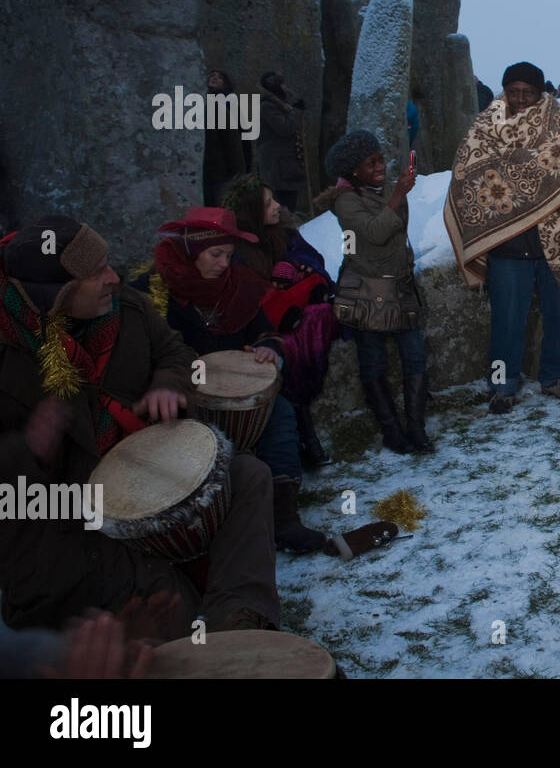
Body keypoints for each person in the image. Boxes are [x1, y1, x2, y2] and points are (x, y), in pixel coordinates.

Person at [0, 216, 281, 635]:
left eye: (109, 264)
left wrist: (168, 384)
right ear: (57, 296)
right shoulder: (8, 358)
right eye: (97, 274)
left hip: (150, 467)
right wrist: (27, 449)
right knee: (168, 604)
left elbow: (176, 353)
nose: (114, 278)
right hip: (72, 511)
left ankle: (239, 615)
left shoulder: (129, 309)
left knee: (249, 476)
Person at [129, 207, 326, 553]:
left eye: (229, 255)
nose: (224, 263)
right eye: (216, 254)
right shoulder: (151, 292)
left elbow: (264, 330)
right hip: (182, 396)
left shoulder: (237, 284)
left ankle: (284, 518)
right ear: (191, 252)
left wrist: (268, 349)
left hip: (238, 393)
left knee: (279, 412)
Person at [445, 63, 560, 414]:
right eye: (513, 91)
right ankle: (502, 385)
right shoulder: (486, 126)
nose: (520, 99)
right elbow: (467, 177)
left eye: (527, 92)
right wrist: (533, 173)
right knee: (506, 322)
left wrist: (528, 174)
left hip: (555, 238)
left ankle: (555, 377)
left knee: (557, 313)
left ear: (539, 93)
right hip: (508, 244)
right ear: (505, 91)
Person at [317, 131, 433, 453]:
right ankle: (392, 432)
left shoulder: (380, 190)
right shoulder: (345, 201)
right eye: (372, 162)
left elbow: (399, 226)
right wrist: (397, 194)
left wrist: (396, 194)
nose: (380, 166)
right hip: (367, 290)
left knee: (415, 356)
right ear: (355, 170)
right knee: (373, 363)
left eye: (381, 159)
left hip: (399, 283)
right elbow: (374, 233)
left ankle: (416, 427)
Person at [223, 173, 338, 468]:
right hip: (262, 327)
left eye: (274, 199)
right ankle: (305, 439)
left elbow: (314, 263)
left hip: (297, 313)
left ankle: (307, 440)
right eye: (267, 203)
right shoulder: (237, 252)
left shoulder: (284, 233)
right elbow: (248, 299)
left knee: (319, 316)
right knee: (282, 353)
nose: (277, 206)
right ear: (251, 212)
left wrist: (294, 270)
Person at [256, 71, 309, 212]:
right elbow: (285, 128)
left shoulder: (282, 105)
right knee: (282, 207)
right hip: (278, 168)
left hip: (285, 165)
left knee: (288, 205)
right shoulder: (267, 106)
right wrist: (297, 111)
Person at [202, 69, 247, 205]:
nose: (214, 78)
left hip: (222, 172)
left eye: (219, 77)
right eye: (212, 75)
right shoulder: (201, 103)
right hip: (205, 170)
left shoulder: (230, 105)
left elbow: (237, 141)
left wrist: (239, 173)